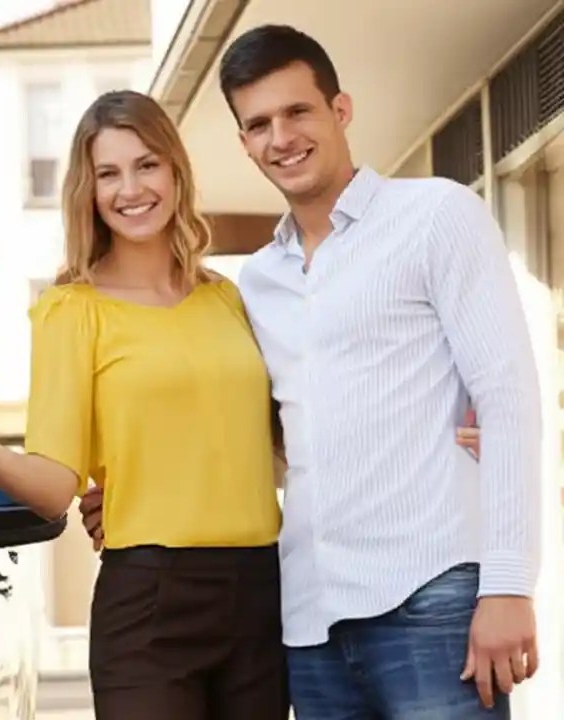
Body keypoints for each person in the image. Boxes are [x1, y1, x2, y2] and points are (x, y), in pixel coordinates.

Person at [81, 24, 541, 719]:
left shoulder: (438, 217)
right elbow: (265, 440)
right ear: (243, 144)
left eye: (297, 112)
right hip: (308, 628)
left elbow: (508, 399)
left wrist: (508, 584)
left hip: (433, 599)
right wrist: (140, 493)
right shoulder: (255, 283)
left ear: (341, 110)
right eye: (259, 124)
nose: (282, 137)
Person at [0, 89, 290, 719]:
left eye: (146, 165)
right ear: (87, 190)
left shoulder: (228, 299)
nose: (130, 189)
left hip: (260, 592)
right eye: (108, 173)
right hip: (151, 607)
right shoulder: (72, 311)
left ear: (175, 170)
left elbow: (267, 437)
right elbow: (57, 485)